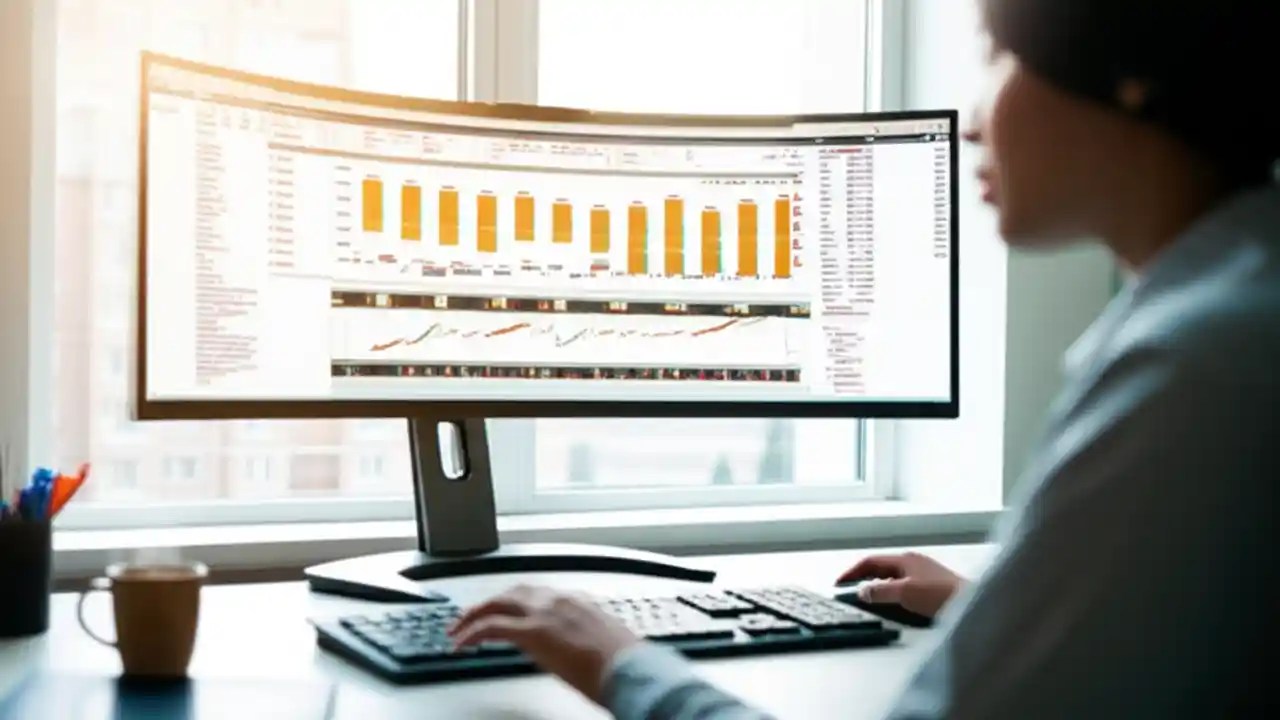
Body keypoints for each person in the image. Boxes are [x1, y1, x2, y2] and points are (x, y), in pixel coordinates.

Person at [449, 0, 1280, 716]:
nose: (971, 122)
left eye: (1000, 58)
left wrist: (617, 662)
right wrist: (1004, 609)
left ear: (1130, 76)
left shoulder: (1187, 370)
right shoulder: (1243, 306)